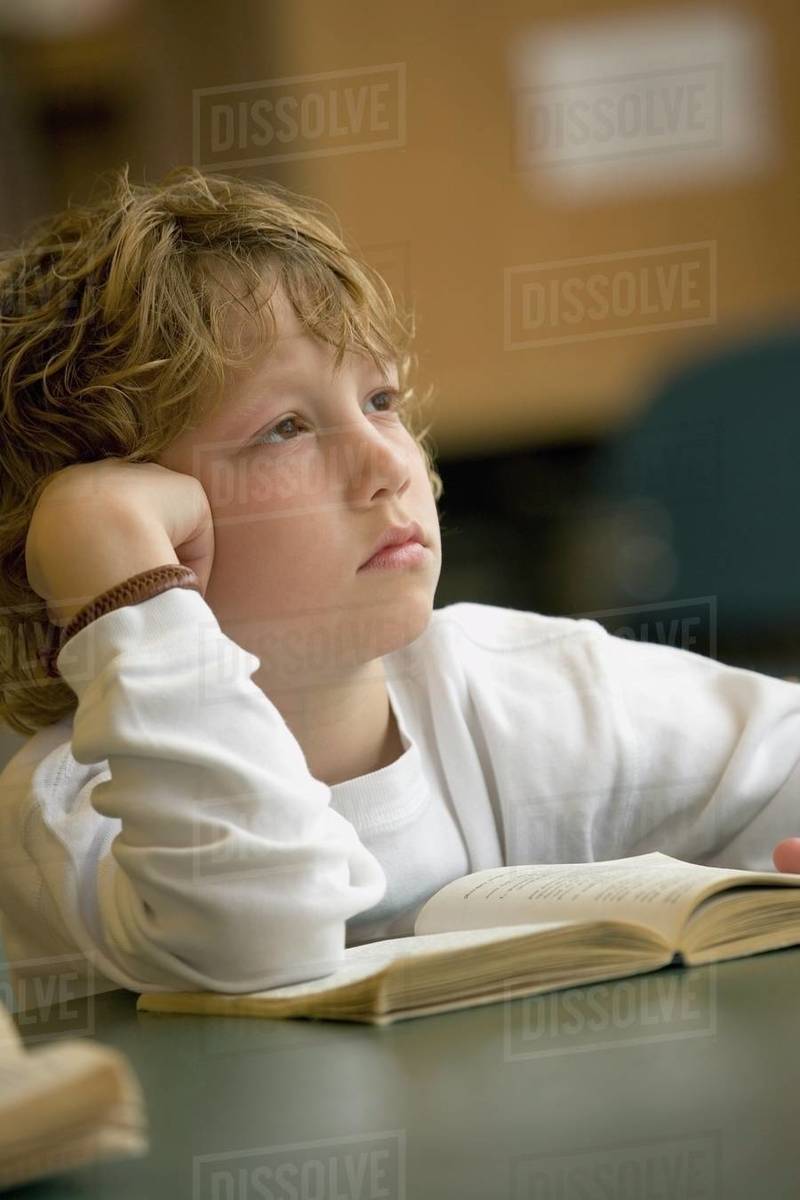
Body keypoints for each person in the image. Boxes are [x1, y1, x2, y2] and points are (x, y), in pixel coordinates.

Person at [1, 166, 799, 1011]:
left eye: (380, 399)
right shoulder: (68, 808)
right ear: (141, 517)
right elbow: (261, 933)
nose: (389, 465)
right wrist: (121, 578)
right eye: (285, 429)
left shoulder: (512, 685)